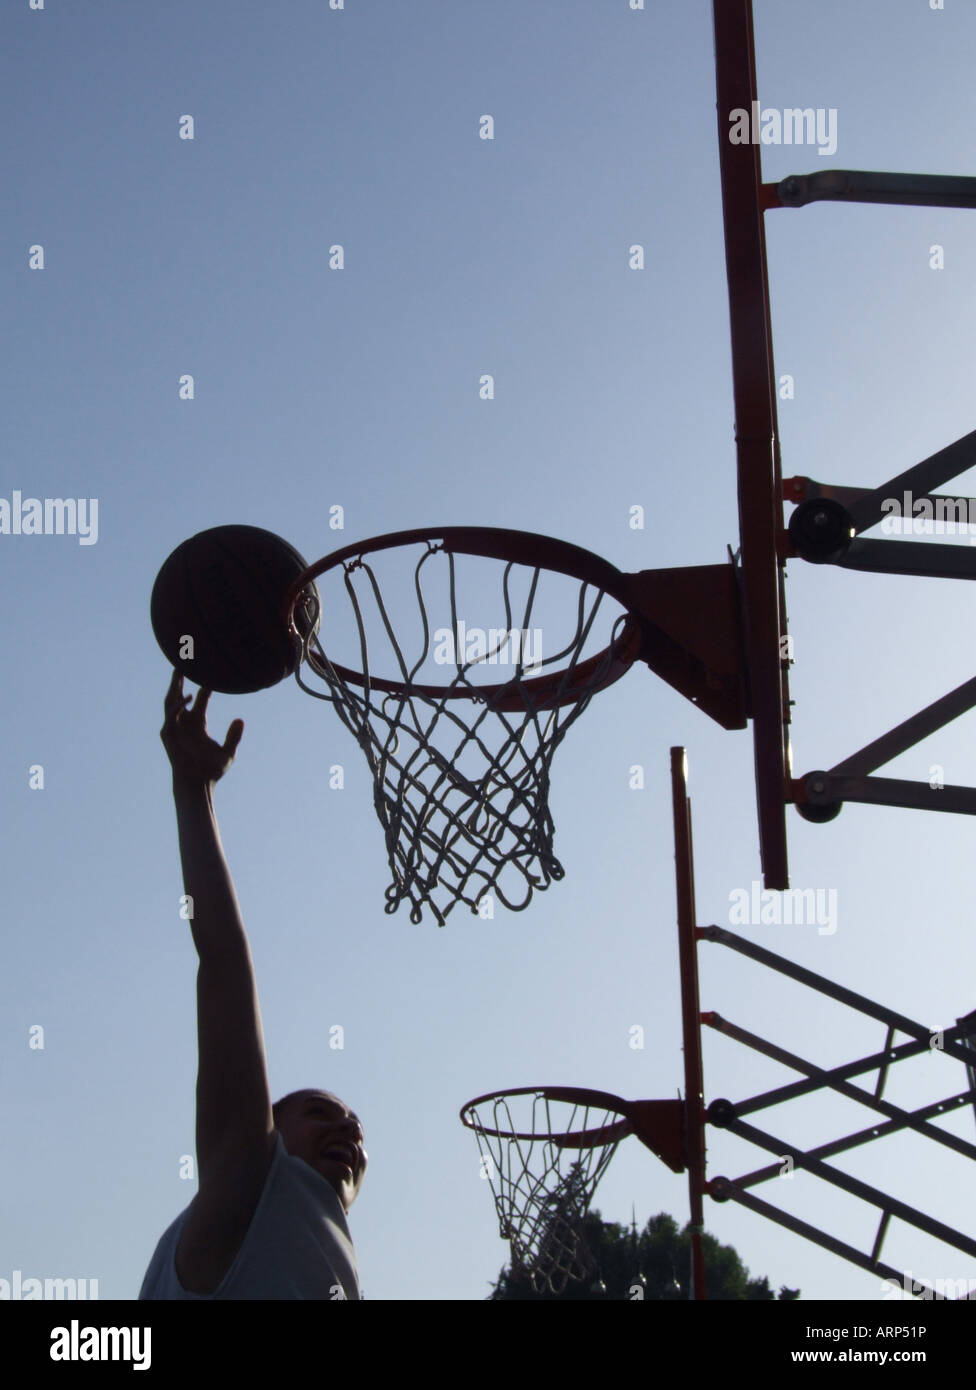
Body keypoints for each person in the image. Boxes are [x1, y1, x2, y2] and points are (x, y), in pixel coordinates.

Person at [139, 672, 365, 1300]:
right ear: (264, 1125)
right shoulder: (251, 1185)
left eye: (355, 1128)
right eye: (319, 1114)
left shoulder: (307, 1242)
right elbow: (223, 968)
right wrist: (194, 794)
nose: (348, 1131)